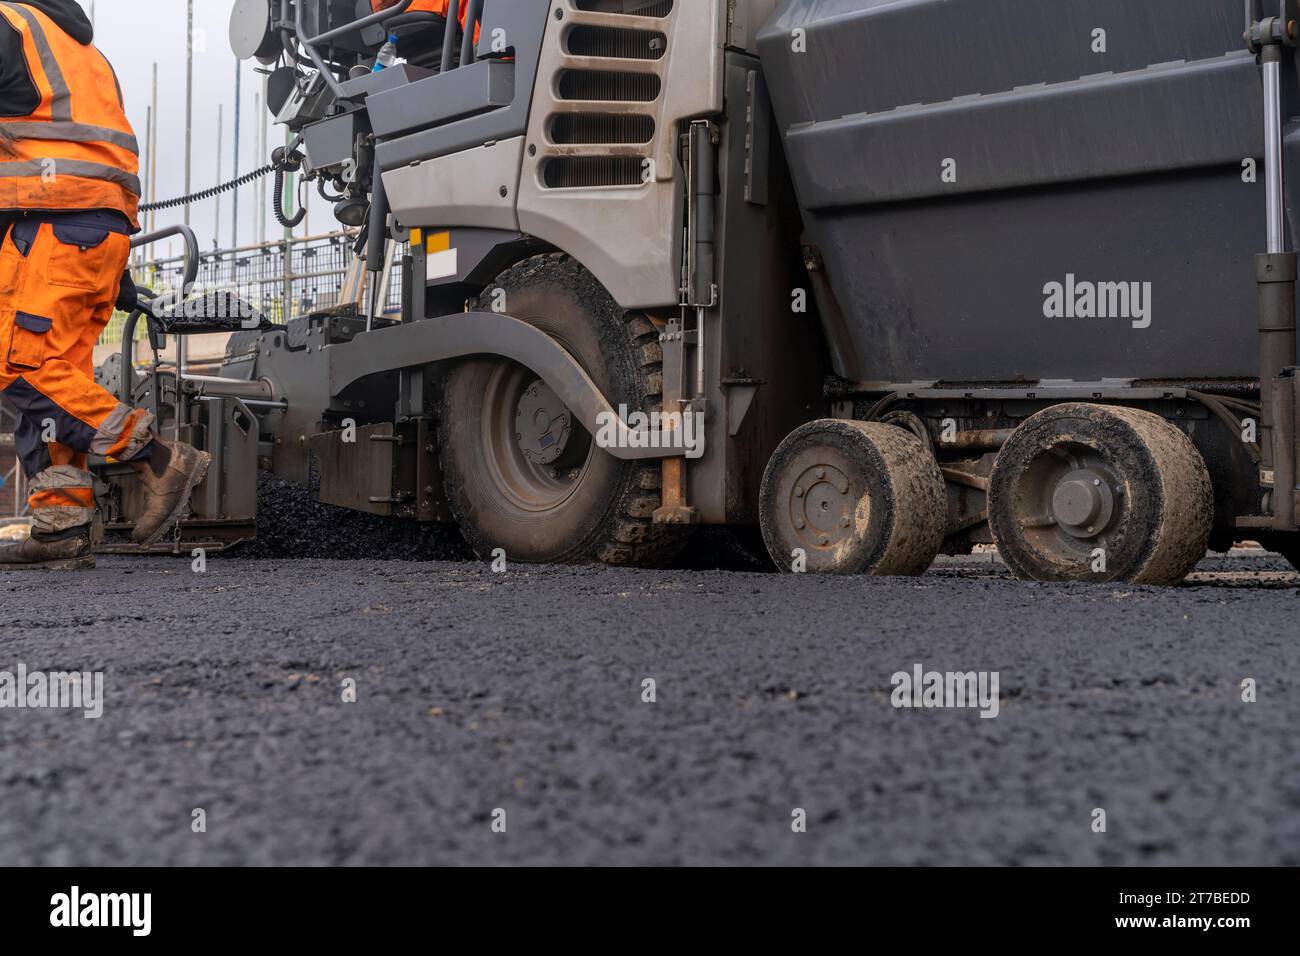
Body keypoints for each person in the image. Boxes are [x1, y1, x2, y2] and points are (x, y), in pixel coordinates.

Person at [0, 0, 210, 571]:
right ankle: (60, 525)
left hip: (45, 226)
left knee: (19, 366)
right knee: (59, 377)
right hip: (98, 234)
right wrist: (115, 269)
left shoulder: (8, 26)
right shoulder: (85, 51)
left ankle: (157, 455)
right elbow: (92, 151)